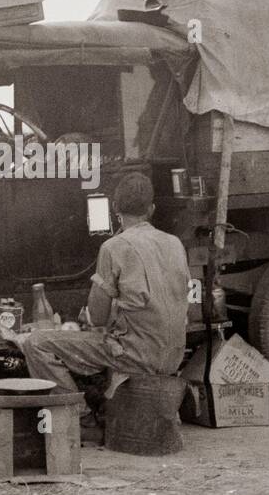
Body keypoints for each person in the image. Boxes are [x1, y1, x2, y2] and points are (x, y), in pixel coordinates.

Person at [16, 172, 189, 428]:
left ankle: (81, 416)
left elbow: (96, 318)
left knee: (36, 343)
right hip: (173, 356)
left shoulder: (113, 247)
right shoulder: (175, 243)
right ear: (152, 209)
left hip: (137, 356)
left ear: (115, 207)